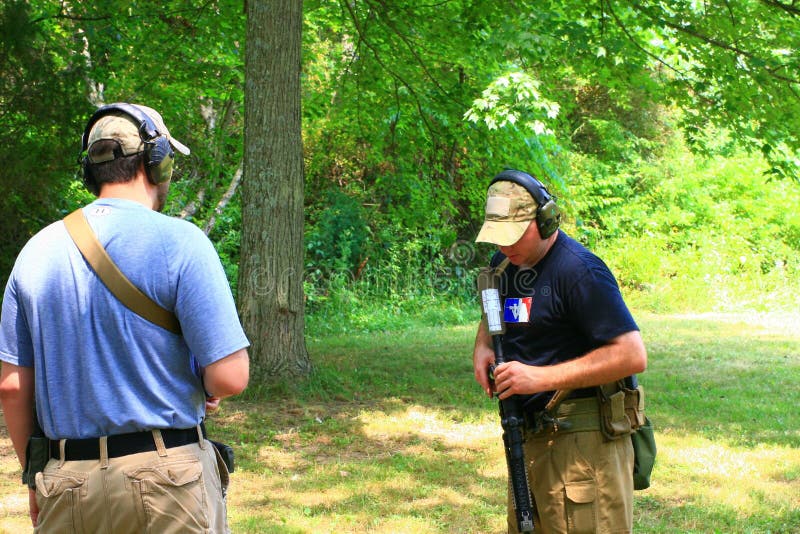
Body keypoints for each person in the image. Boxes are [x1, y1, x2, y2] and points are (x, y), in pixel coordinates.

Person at [0, 103, 250, 533]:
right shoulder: (182, 242)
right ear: (158, 163)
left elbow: (11, 387)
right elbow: (230, 376)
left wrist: (36, 476)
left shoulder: (36, 252)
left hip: (66, 484)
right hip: (167, 481)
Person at [472, 169, 647, 533]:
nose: (505, 246)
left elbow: (631, 354)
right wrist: (484, 344)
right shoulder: (504, 265)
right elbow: (494, 306)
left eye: (514, 235)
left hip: (583, 446)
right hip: (529, 437)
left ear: (545, 221)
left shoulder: (580, 272)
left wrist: (538, 377)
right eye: (498, 237)